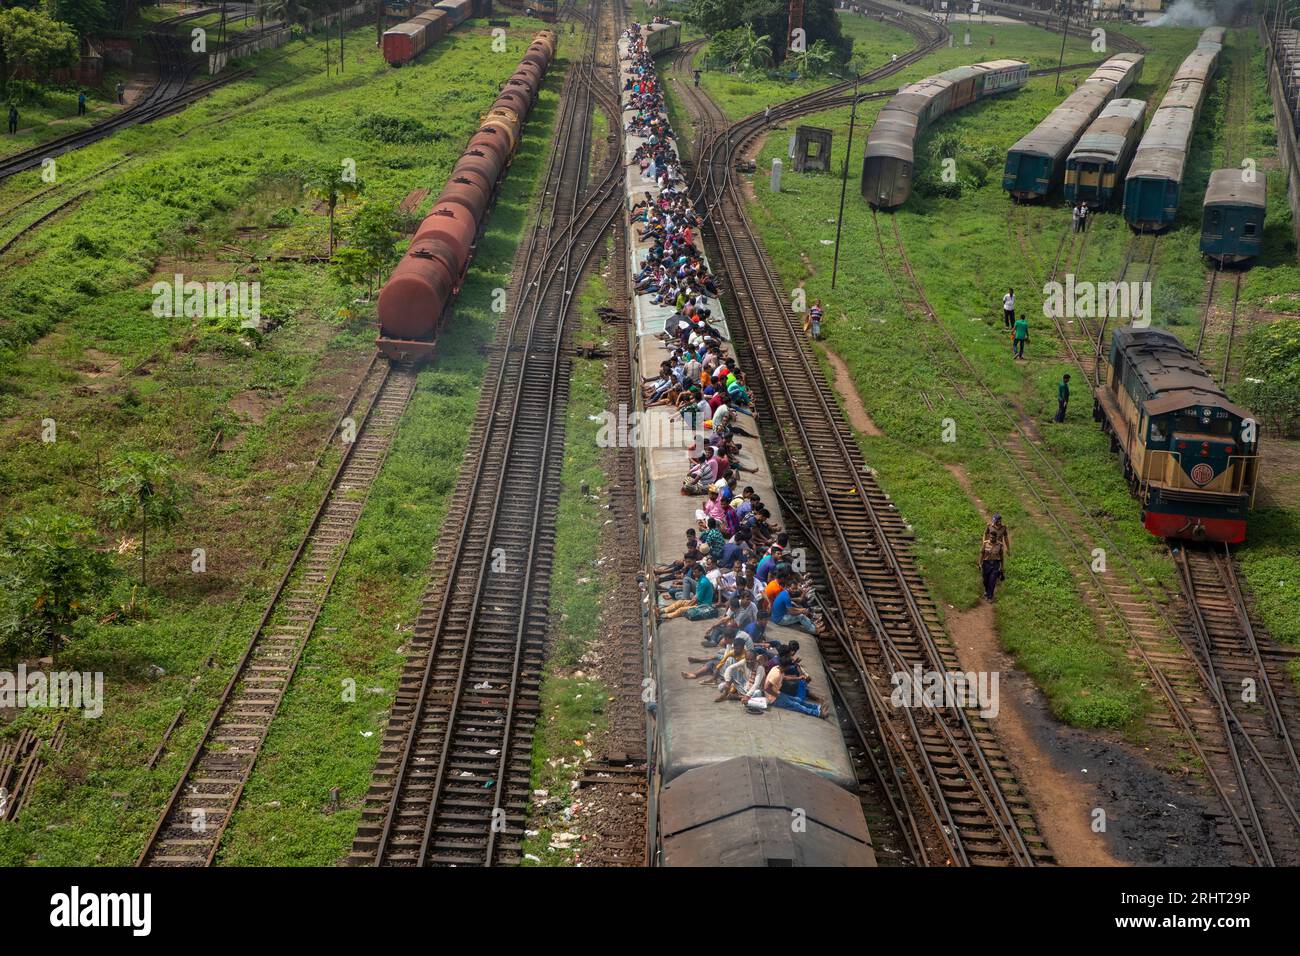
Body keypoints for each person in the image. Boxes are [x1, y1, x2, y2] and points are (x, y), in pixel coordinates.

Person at [979, 514, 1010, 602]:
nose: (998, 522)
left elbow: (1006, 538)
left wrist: (1008, 548)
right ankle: (986, 590)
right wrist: (984, 543)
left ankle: (990, 596)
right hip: (988, 551)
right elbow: (985, 534)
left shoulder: (1003, 528)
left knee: (992, 579)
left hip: (997, 550)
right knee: (986, 579)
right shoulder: (989, 527)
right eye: (997, 521)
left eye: (999, 521)